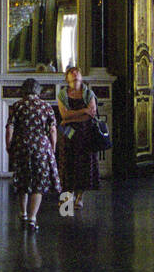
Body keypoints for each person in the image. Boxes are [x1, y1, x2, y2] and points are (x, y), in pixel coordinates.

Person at [7, 78, 60, 232]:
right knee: (38, 183)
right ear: (38, 91)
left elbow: (9, 127)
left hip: (22, 145)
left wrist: (8, 146)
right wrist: (52, 147)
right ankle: (32, 219)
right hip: (41, 147)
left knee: (22, 180)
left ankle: (22, 214)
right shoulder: (46, 106)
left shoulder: (18, 106)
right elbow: (53, 130)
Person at [56, 66, 100, 211]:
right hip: (68, 136)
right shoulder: (63, 94)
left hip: (86, 135)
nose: (75, 75)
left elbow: (91, 113)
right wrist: (83, 111)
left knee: (84, 166)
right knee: (67, 165)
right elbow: (64, 115)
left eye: (77, 72)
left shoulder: (88, 93)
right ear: (67, 77)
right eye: (71, 73)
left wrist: (72, 115)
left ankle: (80, 197)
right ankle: (66, 199)